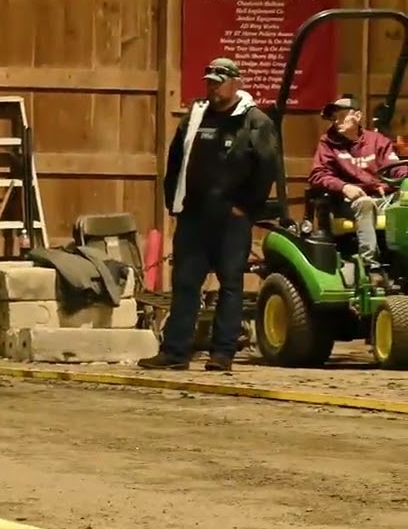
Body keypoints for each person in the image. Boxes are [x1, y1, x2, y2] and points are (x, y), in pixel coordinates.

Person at [141, 57, 277, 372]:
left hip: (231, 219)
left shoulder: (255, 122)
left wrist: (246, 207)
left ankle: (222, 354)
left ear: (235, 83)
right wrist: (174, 201)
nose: (213, 88)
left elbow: (267, 168)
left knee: (230, 284)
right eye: (210, 81)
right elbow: (176, 160)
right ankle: (175, 352)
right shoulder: (195, 117)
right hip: (194, 215)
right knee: (186, 282)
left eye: (219, 81)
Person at [309, 94, 408, 267]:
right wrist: (344, 186)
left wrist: (405, 177)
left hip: (383, 196)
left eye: (341, 116)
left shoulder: (377, 141)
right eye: (333, 118)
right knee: (365, 203)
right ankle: (371, 265)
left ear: (357, 116)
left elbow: (394, 168)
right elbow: (318, 175)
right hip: (348, 201)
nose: (336, 121)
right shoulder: (327, 143)